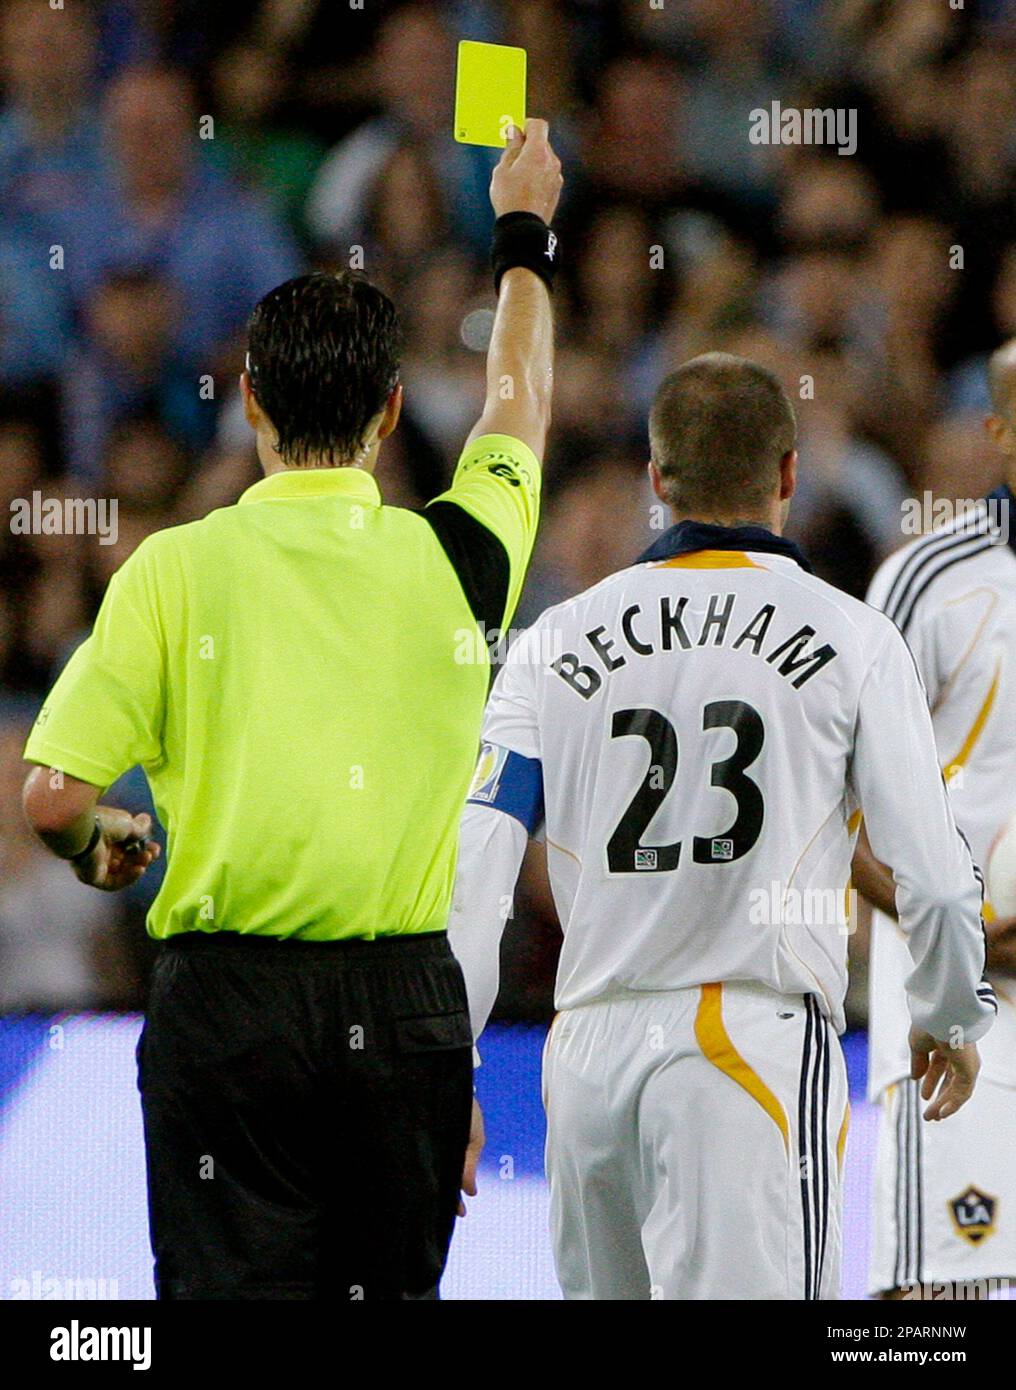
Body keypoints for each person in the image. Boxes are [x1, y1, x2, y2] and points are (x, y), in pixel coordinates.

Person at [21, 118, 563, 1301]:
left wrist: (97, 844)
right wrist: (523, 233)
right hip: (407, 1010)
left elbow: (52, 793)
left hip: (229, 1011)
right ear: (390, 412)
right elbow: (517, 408)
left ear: (251, 405)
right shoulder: (459, 558)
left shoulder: (172, 569)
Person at [449, 351, 995, 1300]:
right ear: (789, 474)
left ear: (657, 480)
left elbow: (477, 869)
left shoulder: (552, 642)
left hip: (586, 1056)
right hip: (751, 1045)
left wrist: (445, 1061)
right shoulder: (852, 638)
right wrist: (949, 1012)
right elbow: (936, 879)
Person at [857, 338, 1016, 1298]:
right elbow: (840, 806)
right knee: (933, 1310)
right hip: (961, 1023)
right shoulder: (925, 582)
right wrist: (960, 937)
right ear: (998, 430)